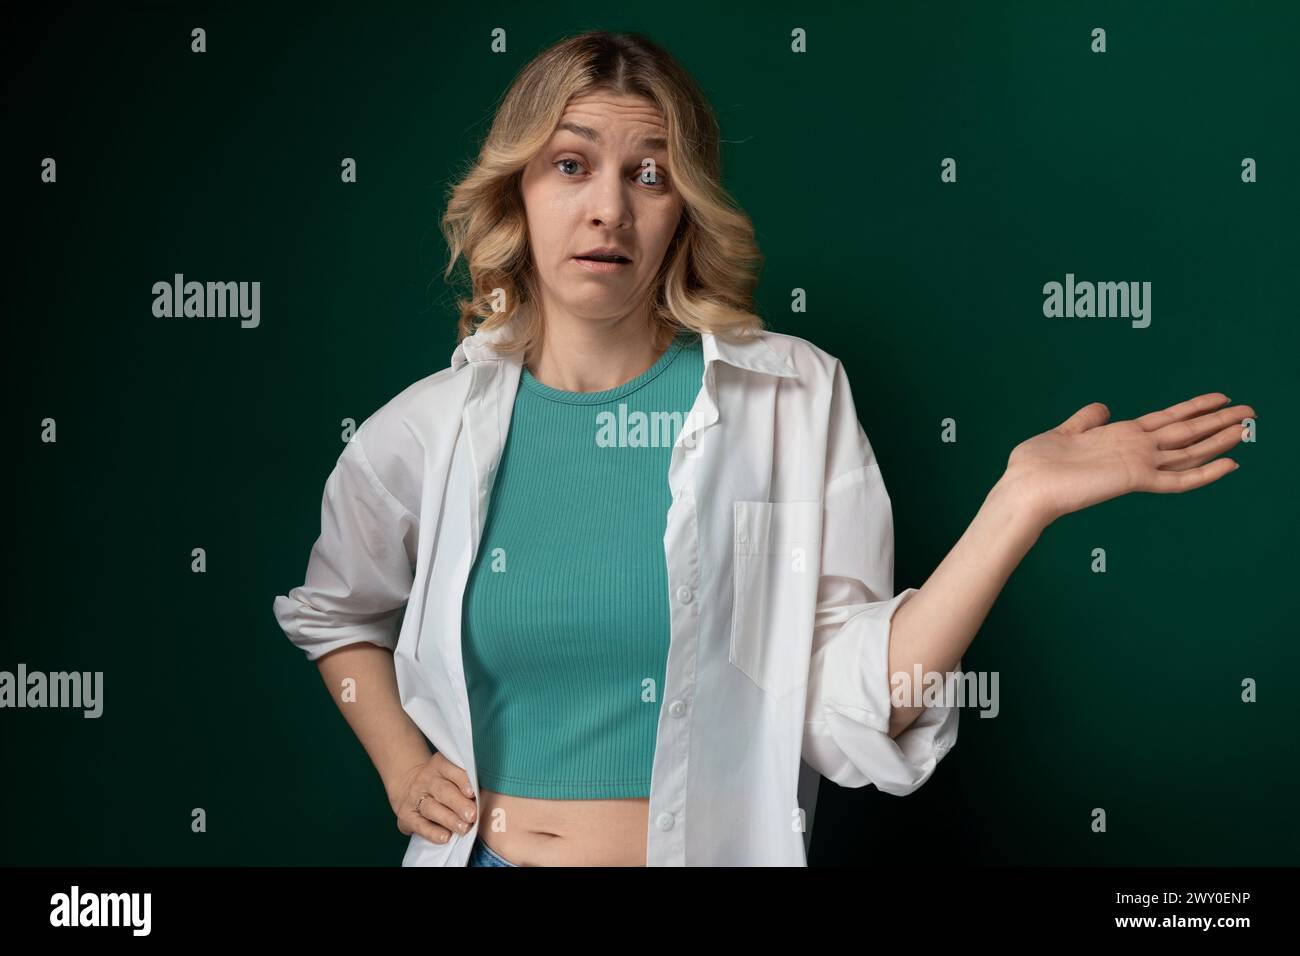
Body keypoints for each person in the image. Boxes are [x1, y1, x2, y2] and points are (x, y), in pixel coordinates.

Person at [272, 30, 1255, 867]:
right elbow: (334, 611)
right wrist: (403, 763)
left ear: (683, 205)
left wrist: (1015, 506)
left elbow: (842, 701)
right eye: (571, 165)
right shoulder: (426, 426)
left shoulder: (788, 395)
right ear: (516, 192)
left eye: (648, 173)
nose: (608, 207)